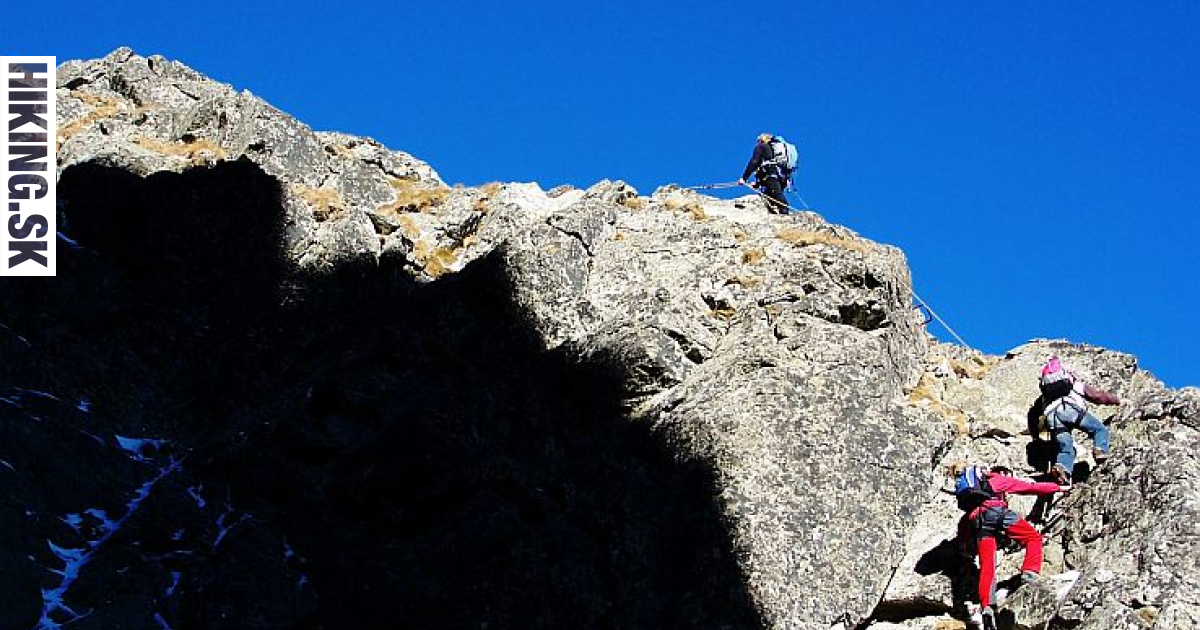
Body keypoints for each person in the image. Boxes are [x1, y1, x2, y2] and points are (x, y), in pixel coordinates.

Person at [951, 462, 1066, 629]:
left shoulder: (971, 498)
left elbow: (964, 531)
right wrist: (1057, 488)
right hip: (997, 512)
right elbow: (1029, 488)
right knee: (1033, 538)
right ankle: (1030, 571)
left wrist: (964, 550)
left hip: (979, 522)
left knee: (987, 565)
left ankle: (987, 607)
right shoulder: (996, 479)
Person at [1026, 356, 1121, 484]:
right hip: (1072, 411)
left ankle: (1062, 469)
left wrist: (1036, 436)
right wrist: (1116, 400)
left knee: (1065, 448)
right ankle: (1099, 450)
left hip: (1053, 419)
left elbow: (1033, 416)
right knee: (1099, 430)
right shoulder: (1074, 385)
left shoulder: (1043, 398)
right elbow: (1097, 396)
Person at [738, 133, 790, 213]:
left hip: (771, 178)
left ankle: (785, 217)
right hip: (780, 178)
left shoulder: (761, 147)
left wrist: (744, 178)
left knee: (780, 202)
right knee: (771, 200)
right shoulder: (773, 150)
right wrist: (757, 184)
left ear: (760, 140)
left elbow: (754, 162)